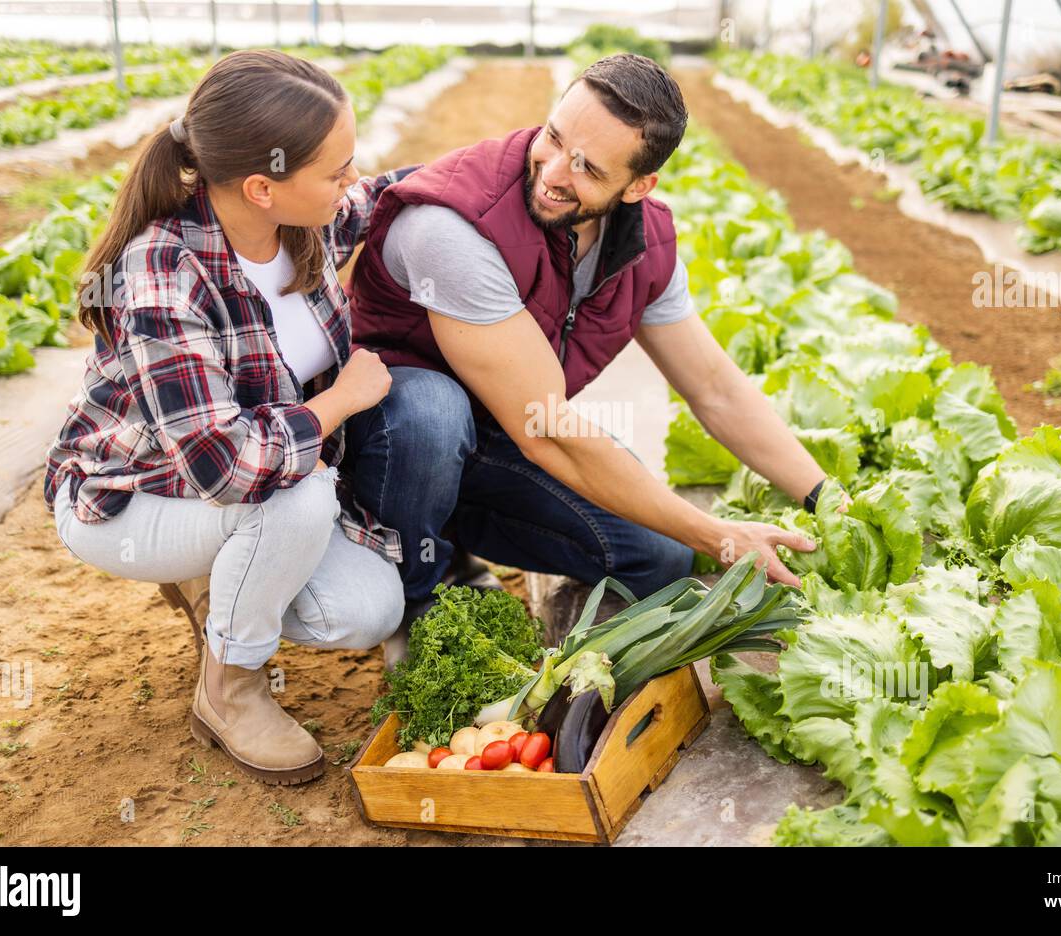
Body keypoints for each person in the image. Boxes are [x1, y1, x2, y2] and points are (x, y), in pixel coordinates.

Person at [346, 53, 836, 664]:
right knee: (430, 411)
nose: (552, 170)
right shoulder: (453, 229)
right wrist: (720, 534)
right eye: (553, 137)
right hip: (386, 448)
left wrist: (825, 496)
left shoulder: (644, 246)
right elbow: (547, 430)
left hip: (498, 438)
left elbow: (713, 387)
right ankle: (417, 594)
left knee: (660, 554)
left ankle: (451, 532)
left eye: (586, 166)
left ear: (638, 186)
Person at [44, 50, 409, 785]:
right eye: (335, 171)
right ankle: (230, 690)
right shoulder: (162, 271)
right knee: (293, 494)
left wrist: (521, 161)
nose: (351, 182)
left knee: (364, 613)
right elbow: (225, 464)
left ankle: (221, 578)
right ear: (261, 186)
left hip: (240, 491)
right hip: (132, 498)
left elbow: (388, 193)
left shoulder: (302, 226)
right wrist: (340, 400)